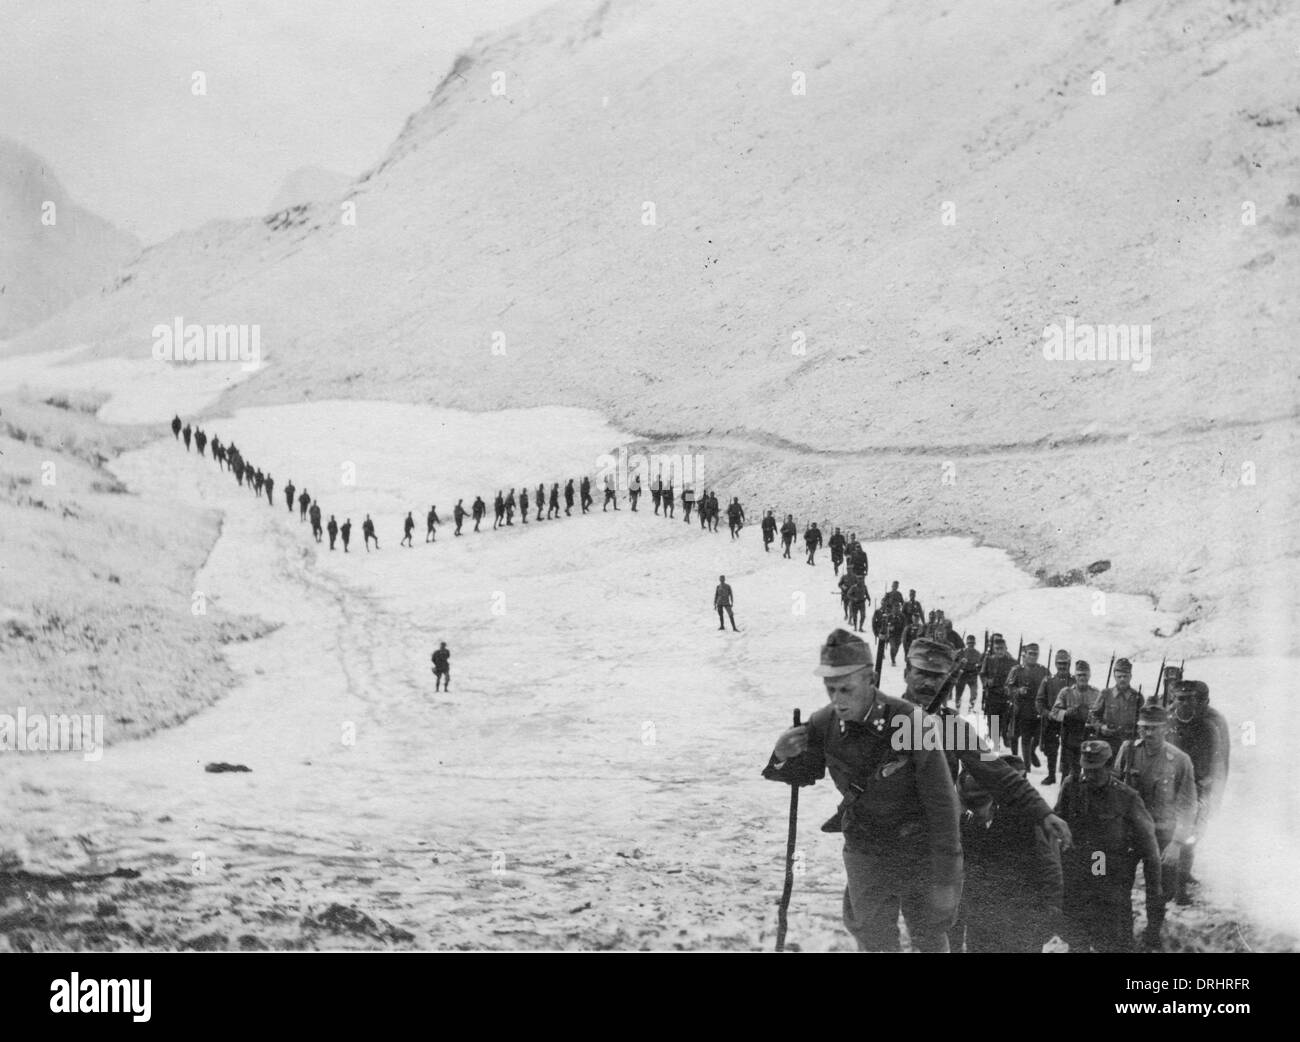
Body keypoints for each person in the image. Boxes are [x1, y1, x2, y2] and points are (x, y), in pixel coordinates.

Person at [762, 630, 962, 952]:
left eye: (846, 689)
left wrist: (946, 880)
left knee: (928, 933)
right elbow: (803, 773)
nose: (837, 700)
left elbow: (943, 808)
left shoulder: (912, 723)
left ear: (871, 680)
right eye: (831, 689)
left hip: (918, 848)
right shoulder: (824, 723)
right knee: (873, 936)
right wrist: (782, 756)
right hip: (865, 847)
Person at [1055, 740, 1162, 952]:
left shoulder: (1126, 797)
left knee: (1114, 940)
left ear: (1109, 766)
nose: (1088, 775)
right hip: (1078, 878)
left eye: (1095, 771)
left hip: (1111, 883)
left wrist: (1154, 885)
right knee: (1077, 938)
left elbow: (1149, 845)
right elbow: (1058, 820)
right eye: (1085, 769)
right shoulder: (1071, 786)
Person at [954, 756, 1064, 953]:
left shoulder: (1023, 817)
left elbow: (1049, 864)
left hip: (1022, 918)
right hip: (981, 922)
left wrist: (1052, 910)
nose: (976, 813)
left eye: (980, 805)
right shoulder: (963, 822)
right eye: (970, 807)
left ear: (993, 797)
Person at [1114, 704, 1196, 927]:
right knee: (1119, 885)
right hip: (1131, 831)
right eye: (1144, 728)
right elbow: (1115, 789)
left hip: (1162, 835)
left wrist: (1177, 843)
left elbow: (1188, 806)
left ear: (1165, 728)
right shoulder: (1128, 750)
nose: (1148, 733)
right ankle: (1124, 935)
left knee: (1159, 890)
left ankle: (1153, 932)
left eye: (1154, 728)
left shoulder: (1180, 760)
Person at [1166, 680, 1228, 905]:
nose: (1183, 703)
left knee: (1191, 838)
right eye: (1179, 698)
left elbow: (1214, 762)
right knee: (1173, 837)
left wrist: (1207, 792)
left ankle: (1182, 882)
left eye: (1189, 699)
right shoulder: (1166, 724)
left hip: (1197, 790)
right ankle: (1175, 885)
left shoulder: (1208, 727)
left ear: (1196, 700)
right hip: (1170, 791)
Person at [1049, 660, 1100, 778]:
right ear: (1075, 676)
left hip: (1088, 735)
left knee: (1089, 771)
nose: (1082, 678)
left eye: (1085, 675)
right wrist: (1067, 713)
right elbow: (1054, 713)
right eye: (1079, 675)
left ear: (1089, 675)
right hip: (1070, 736)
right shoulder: (1066, 692)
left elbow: (1100, 715)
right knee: (1068, 773)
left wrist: (1092, 719)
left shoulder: (1096, 694)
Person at [1090, 657, 1143, 760]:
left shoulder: (1137, 697)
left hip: (1128, 745)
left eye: (1125, 676)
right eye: (1119, 676)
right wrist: (1101, 727)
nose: (1122, 679)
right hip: (1107, 745)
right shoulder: (1106, 694)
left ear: (1130, 676)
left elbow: (1142, 722)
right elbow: (1093, 716)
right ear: (1114, 676)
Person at [1006, 643, 1048, 768]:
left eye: (1035, 654)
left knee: (1037, 737)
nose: (1033, 657)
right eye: (1030, 653)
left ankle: (1031, 752)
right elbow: (1008, 688)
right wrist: (1018, 690)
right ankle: (1025, 765)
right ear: (1025, 654)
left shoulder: (1043, 670)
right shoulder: (1017, 670)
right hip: (1021, 708)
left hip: (1038, 709)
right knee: (1023, 737)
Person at [1036, 649, 1073, 785]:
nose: (1062, 666)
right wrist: (1046, 713)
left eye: (1065, 663)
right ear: (1055, 664)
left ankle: (1065, 777)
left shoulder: (1074, 682)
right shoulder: (1048, 681)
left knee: (1067, 750)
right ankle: (1051, 775)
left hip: (1069, 722)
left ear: (1069, 664)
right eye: (1059, 663)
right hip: (1052, 721)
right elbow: (1039, 700)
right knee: (1050, 749)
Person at [979, 634, 1015, 750]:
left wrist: (1011, 688)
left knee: (1005, 725)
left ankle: (1005, 738)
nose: (1000, 651)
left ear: (1006, 648)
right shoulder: (989, 660)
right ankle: (994, 752)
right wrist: (987, 682)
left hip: (1006, 698)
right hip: (993, 698)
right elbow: (982, 674)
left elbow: (1017, 678)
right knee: (993, 726)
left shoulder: (1012, 662)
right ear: (994, 649)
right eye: (997, 649)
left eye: (1002, 648)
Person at [953, 634, 982, 713]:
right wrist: (960, 662)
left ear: (974, 644)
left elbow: (980, 665)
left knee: (974, 693)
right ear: (967, 643)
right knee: (958, 692)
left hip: (972, 674)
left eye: (972, 643)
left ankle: (971, 708)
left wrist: (978, 666)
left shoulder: (978, 654)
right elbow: (954, 661)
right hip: (963, 674)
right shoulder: (961, 652)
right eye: (969, 643)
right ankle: (957, 707)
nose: (971, 645)